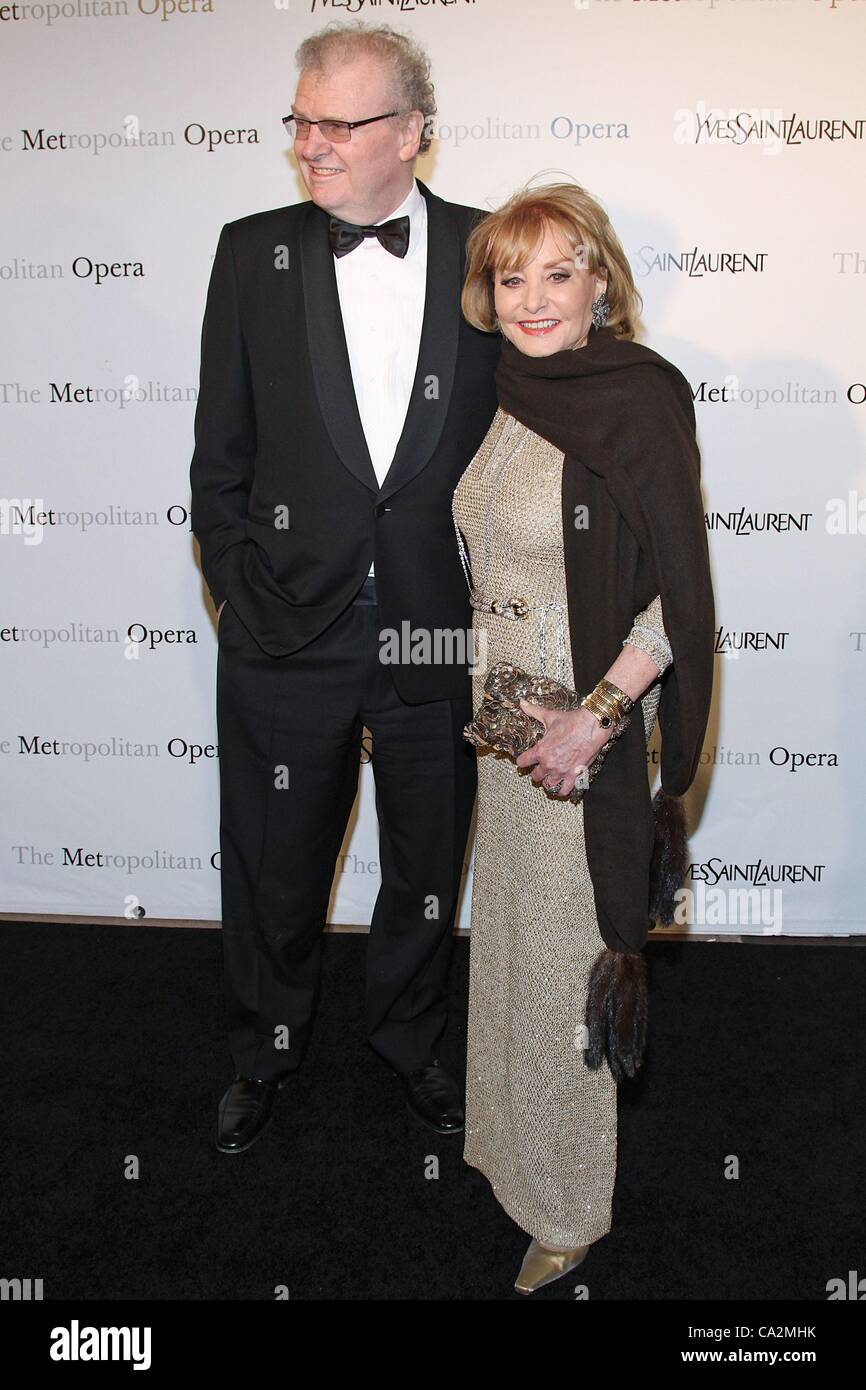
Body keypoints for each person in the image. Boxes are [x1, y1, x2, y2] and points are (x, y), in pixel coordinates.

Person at [189, 22, 499, 1154]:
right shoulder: (251, 252)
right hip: (288, 627)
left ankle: (410, 1045)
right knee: (275, 863)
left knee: (426, 865)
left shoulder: (484, 251)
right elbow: (218, 455)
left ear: (411, 133)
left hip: (433, 630)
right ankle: (263, 1051)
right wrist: (239, 590)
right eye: (301, 121)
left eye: (338, 123)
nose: (310, 145)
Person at [453, 182, 714, 1293]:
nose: (531, 297)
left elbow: (679, 601)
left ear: (601, 280)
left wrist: (595, 723)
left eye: (557, 271)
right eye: (510, 276)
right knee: (512, 951)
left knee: (568, 970)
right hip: (507, 740)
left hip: (578, 749)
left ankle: (566, 1206)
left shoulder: (635, 398)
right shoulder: (515, 389)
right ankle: (510, 1155)